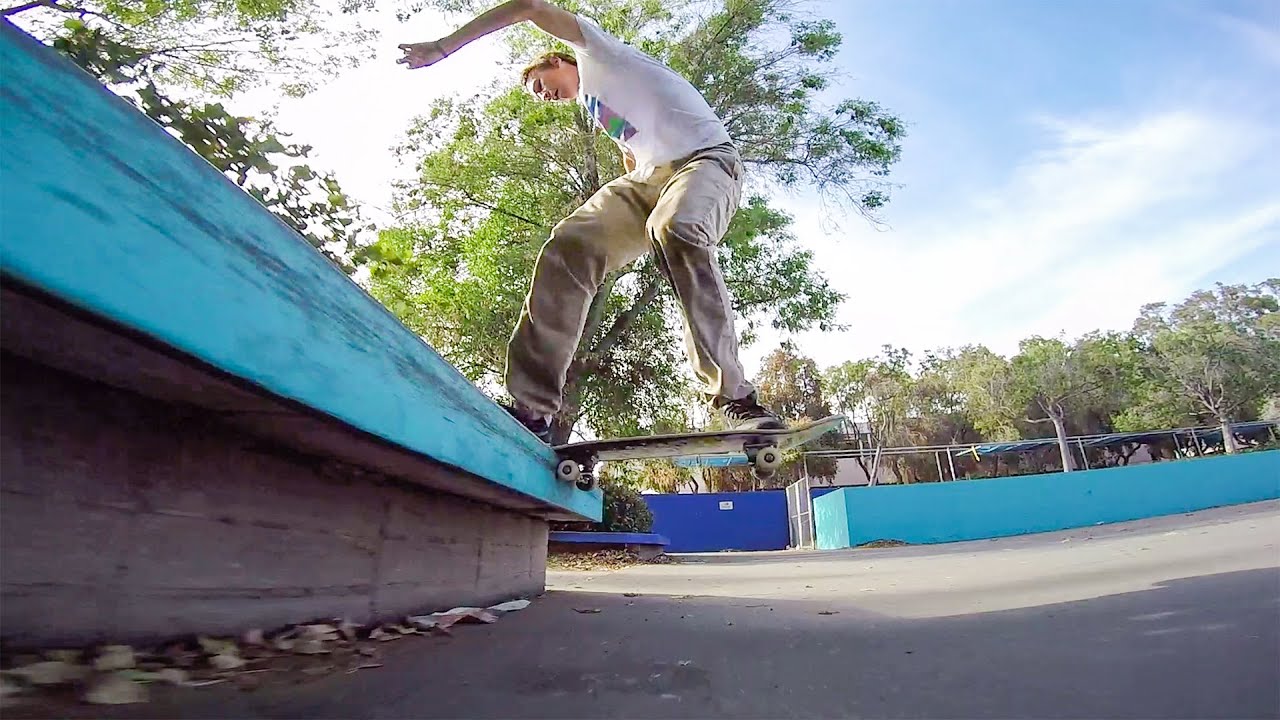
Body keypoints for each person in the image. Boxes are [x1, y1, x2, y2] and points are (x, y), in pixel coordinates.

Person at [399, 0, 785, 443]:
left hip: (706, 160)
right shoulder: (593, 104)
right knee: (569, 245)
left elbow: (527, 6)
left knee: (674, 229)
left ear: (557, 60)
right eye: (537, 97)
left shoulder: (596, 50)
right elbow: (635, 143)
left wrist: (444, 47)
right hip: (647, 178)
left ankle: (737, 399)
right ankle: (533, 408)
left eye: (540, 85)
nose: (542, 96)